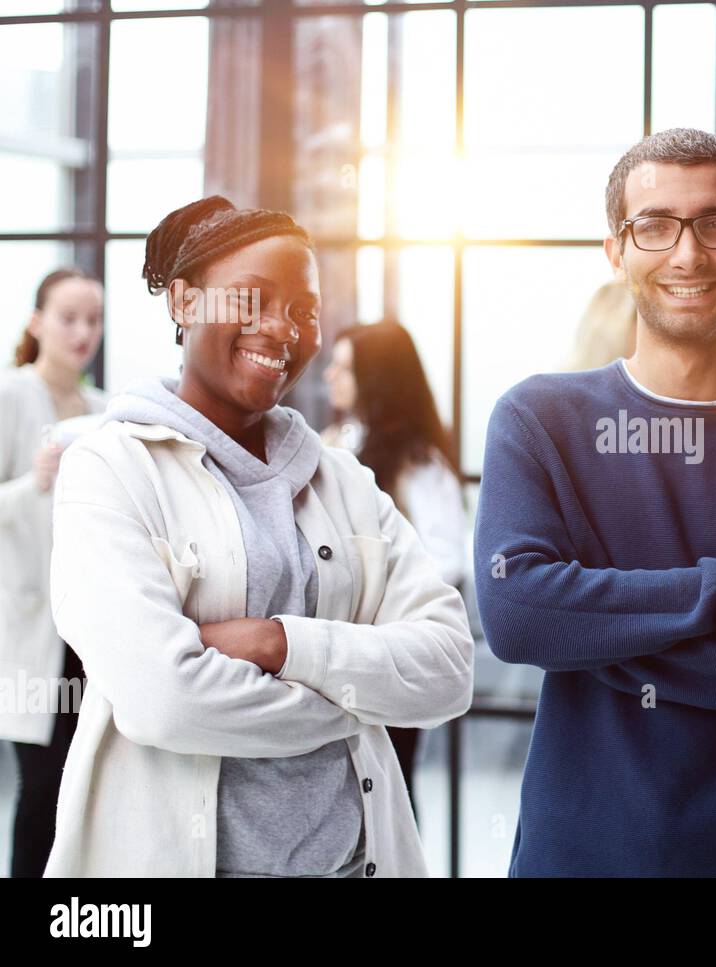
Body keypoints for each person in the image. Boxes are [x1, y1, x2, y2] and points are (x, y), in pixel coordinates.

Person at [474, 128, 716, 877]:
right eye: (654, 225)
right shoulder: (538, 419)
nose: (687, 254)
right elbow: (518, 615)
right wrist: (715, 588)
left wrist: (593, 632)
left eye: (715, 224)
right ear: (616, 252)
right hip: (576, 857)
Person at [44, 196, 474, 877]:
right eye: (252, 299)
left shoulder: (343, 479)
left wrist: (279, 641)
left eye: (304, 310)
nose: (283, 329)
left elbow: (449, 668)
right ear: (184, 303)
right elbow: (165, 700)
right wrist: (358, 698)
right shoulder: (110, 470)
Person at [322, 319, 468, 814]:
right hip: (340, 656)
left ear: (375, 378)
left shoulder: (418, 460)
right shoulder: (335, 441)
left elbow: (446, 562)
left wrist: (377, 596)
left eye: (345, 368)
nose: (330, 377)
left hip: (390, 654)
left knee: (389, 793)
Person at [0, 268, 107, 877]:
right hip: (31, 629)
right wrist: (31, 483)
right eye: (69, 318)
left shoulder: (104, 409)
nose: (83, 332)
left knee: (87, 790)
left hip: (86, 630)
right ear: (37, 322)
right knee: (40, 791)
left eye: (93, 319)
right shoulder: (11, 396)